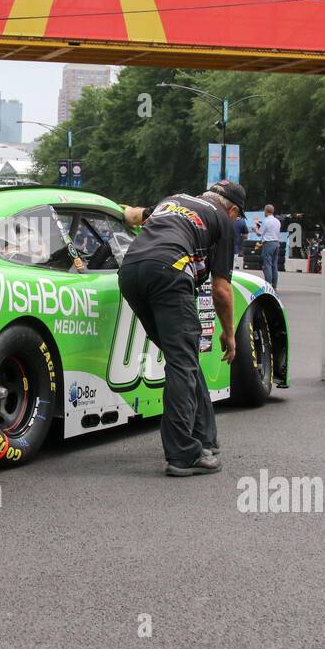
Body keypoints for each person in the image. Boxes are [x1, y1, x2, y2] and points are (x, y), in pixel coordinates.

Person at [118, 180, 244, 477]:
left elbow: (133, 216)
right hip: (169, 271)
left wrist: (115, 208)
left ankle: (206, 440)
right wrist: (229, 333)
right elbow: (222, 290)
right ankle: (182, 454)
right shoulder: (223, 221)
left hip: (131, 272)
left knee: (184, 360)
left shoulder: (172, 200)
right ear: (234, 210)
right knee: (182, 365)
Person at [255, 205, 281, 288]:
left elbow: (260, 233)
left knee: (267, 265)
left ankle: (268, 285)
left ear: (266, 211)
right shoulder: (277, 221)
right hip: (276, 243)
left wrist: (256, 228)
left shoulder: (266, 221)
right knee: (274, 265)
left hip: (268, 243)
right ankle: (274, 286)